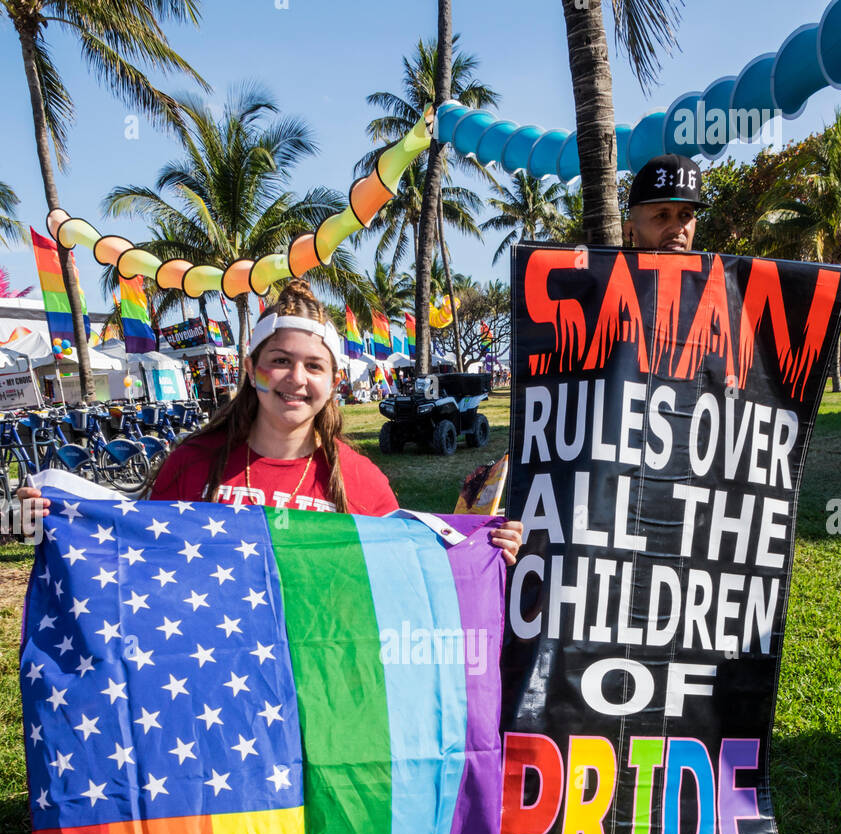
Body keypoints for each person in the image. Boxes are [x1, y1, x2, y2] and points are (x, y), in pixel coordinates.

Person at [19, 279, 523, 563]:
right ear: (251, 370)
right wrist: (48, 518)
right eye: (279, 360)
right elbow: (131, 553)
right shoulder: (194, 464)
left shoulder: (361, 481)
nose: (295, 378)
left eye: (314, 365)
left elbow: (410, 572)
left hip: (317, 696)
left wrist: (486, 554)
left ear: (333, 381)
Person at [622, 153, 707, 253]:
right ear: (630, 231)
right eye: (662, 215)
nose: (677, 229)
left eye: (685, 215)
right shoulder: (604, 268)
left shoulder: (716, 267)